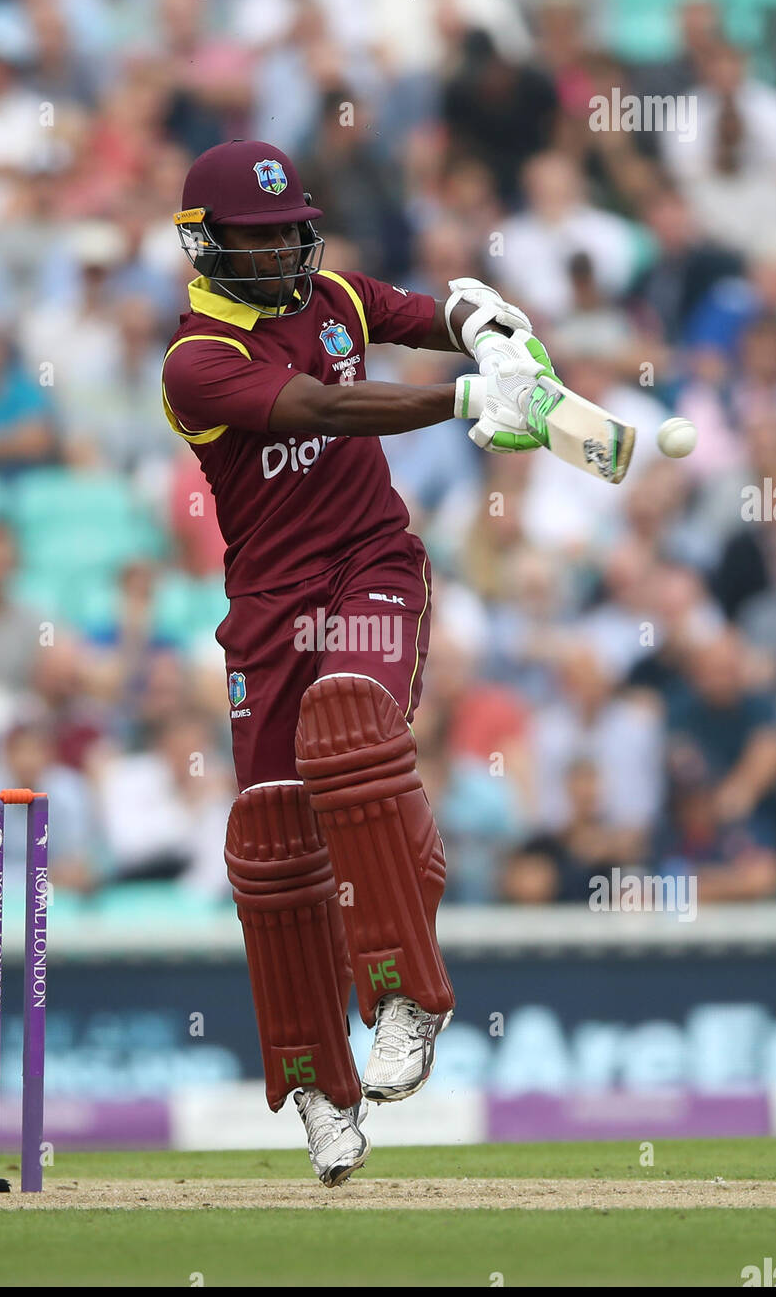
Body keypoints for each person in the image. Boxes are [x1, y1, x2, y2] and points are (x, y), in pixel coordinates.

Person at [162, 139, 557, 1186]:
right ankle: (315, 1089)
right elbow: (328, 409)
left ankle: (402, 999)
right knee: (275, 840)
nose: (285, 251)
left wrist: (485, 324)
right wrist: (471, 401)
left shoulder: (333, 289)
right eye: (257, 239)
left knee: (351, 718)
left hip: (372, 563)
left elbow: (426, 316)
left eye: (293, 228)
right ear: (205, 250)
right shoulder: (196, 360)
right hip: (265, 608)